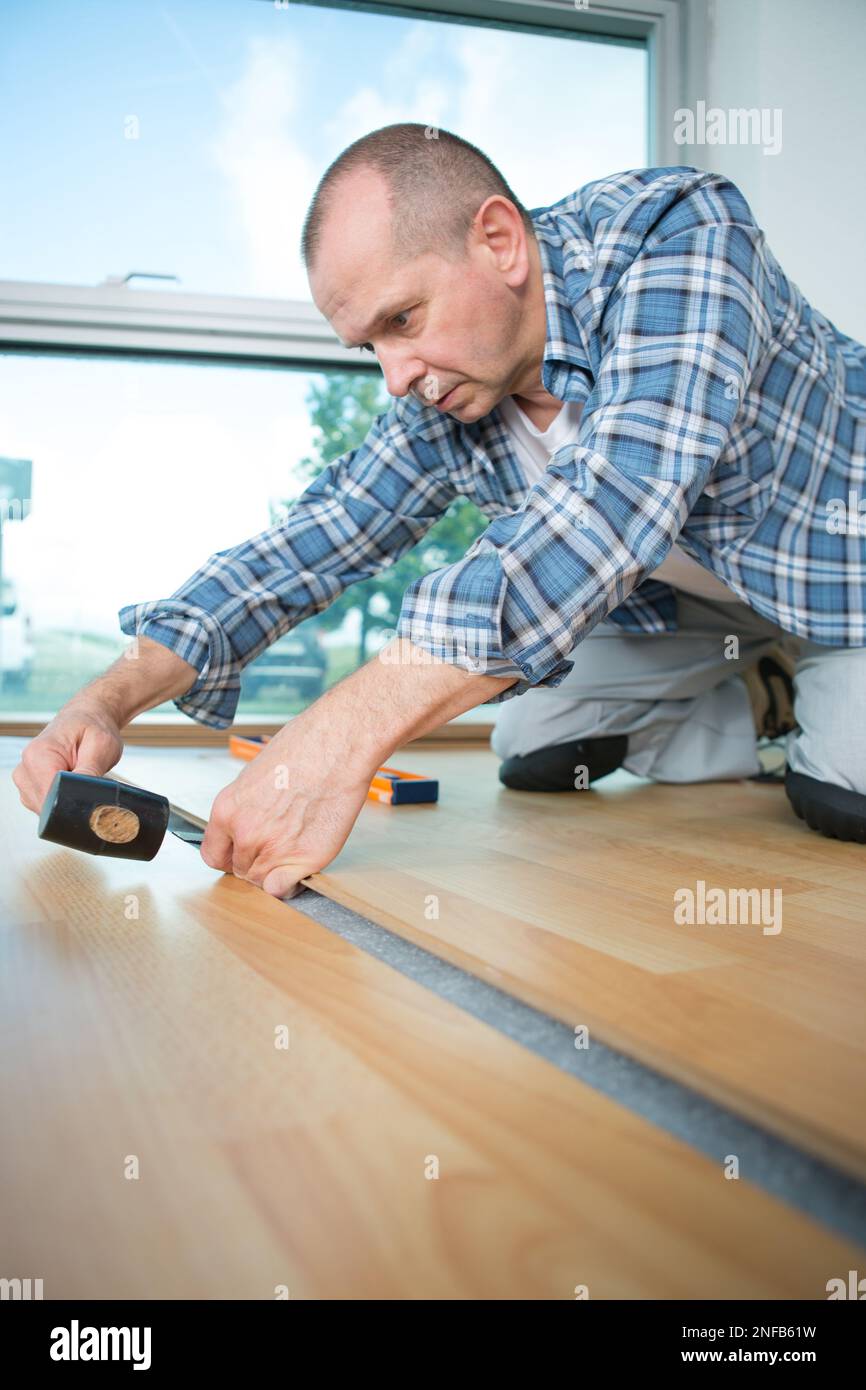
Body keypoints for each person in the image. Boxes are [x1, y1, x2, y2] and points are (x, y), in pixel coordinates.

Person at [13, 123, 866, 896]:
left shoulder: (677, 233)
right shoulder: (450, 395)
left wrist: (336, 737)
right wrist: (104, 699)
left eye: (404, 319)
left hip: (840, 587)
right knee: (533, 742)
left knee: (844, 783)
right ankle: (769, 698)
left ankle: (822, 712)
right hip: (696, 610)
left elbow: (619, 500)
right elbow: (309, 541)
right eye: (371, 346)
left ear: (498, 242)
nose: (395, 376)